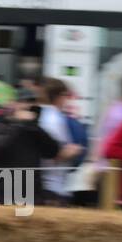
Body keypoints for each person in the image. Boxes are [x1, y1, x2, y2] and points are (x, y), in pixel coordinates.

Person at [0, 90, 60, 205]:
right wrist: (20, 124)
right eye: (24, 102)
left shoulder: (35, 129)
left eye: (31, 102)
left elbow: (52, 151)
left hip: (30, 192)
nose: (28, 106)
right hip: (3, 190)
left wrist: (33, 126)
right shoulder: (3, 125)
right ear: (15, 105)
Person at [37, 77, 84, 205]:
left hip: (44, 184)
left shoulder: (41, 114)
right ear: (59, 96)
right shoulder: (54, 119)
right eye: (66, 95)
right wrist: (74, 150)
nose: (67, 100)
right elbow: (54, 153)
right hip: (53, 187)